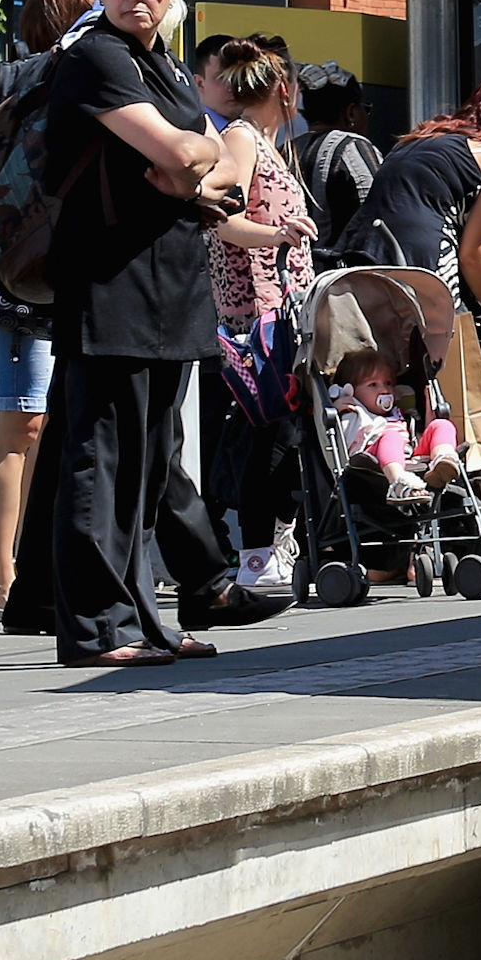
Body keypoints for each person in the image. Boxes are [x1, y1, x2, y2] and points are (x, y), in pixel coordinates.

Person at [8, 0, 259, 667]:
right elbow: (186, 152)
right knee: (103, 455)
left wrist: (208, 158)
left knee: (151, 461)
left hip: (171, 281)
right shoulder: (96, 57)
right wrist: (205, 155)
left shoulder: (166, 68)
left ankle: (141, 618)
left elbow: (216, 168)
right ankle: (94, 628)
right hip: (111, 279)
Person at [0, 0, 95, 623]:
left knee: (37, 424)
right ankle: (2, 580)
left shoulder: (52, 77)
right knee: (24, 421)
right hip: (30, 273)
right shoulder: (24, 79)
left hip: (38, 270)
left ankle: (25, 576)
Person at [197, 36, 318, 602]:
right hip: (255, 313)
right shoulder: (243, 140)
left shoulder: (261, 142)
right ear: (284, 90)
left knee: (273, 429)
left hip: (275, 306)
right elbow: (221, 215)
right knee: (270, 430)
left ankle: (266, 551)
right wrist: (278, 233)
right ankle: (257, 555)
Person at [360, 74, 481, 317]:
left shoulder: (425, 136)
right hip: (422, 261)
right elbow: (472, 254)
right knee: (450, 347)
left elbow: (480, 239)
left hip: (366, 254)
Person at [324, 347, 470, 515]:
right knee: (390, 436)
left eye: (388, 383)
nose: (384, 390)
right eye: (373, 385)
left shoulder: (399, 414)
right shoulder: (354, 412)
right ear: (350, 390)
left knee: (443, 425)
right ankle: (398, 482)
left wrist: (430, 417)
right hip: (372, 464)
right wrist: (337, 408)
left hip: (411, 457)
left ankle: (443, 459)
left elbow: (418, 439)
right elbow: (346, 437)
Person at [294, 63, 382, 261]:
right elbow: (377, 215)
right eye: (364, 109)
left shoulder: (284, 151)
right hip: (343, 279)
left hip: (294, 274)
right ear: (350, 112)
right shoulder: (354, 147)